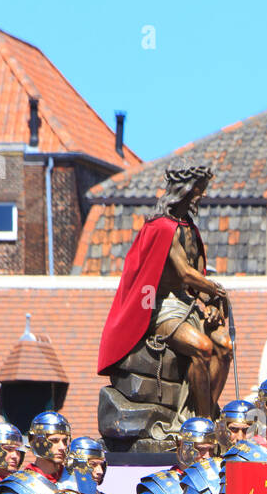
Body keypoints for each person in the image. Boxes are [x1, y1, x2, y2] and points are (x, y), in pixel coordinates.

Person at [97, 161, 233, 423]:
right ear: (186, 189)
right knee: (203, 347)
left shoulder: (190, 229)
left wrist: (213, 302)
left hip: (190, 304)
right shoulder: (161, 227)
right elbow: (184, 272)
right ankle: (202, 424)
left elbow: (199, 279)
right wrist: (218, 289)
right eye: (200, 189)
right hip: (161, 307)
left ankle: (206, 410)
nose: (203, 195)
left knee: (225, 346)